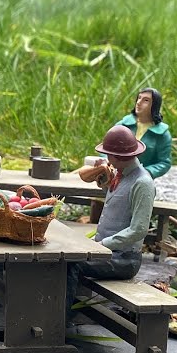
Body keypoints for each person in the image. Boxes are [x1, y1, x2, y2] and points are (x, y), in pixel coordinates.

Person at [66, 125, 156, 311]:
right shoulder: (120, 175)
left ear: (119, 157)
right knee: (64, 258)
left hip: (124, 259)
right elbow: (114, 196)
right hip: (106, 252)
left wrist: (102, 245)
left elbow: (138, 229)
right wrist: (102, 178)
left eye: (109, 155)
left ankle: (62, 318)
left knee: (71, 265)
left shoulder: (142, 183)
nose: (108, 159)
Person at [115, 87, 171, 179]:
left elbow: (164, 163)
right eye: (139, 98)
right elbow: (106, 148)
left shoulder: (162, 134)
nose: (139, 102)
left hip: (141, 180)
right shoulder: (123, 125)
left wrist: (146, 172)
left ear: (154, 105)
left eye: (146, 100)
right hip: (116, 175)